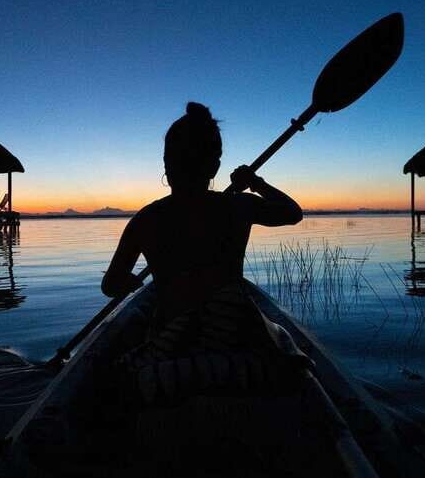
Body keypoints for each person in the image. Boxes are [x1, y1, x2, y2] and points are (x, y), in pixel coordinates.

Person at [102, 102, 302, 353]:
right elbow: (293, 213)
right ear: (215, 167)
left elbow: (110, 286)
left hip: (171, 341)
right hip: (232, 336)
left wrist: (131, 282)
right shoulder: (238, 206)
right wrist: (255, 182)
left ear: (166, 165)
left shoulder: (146, 219)